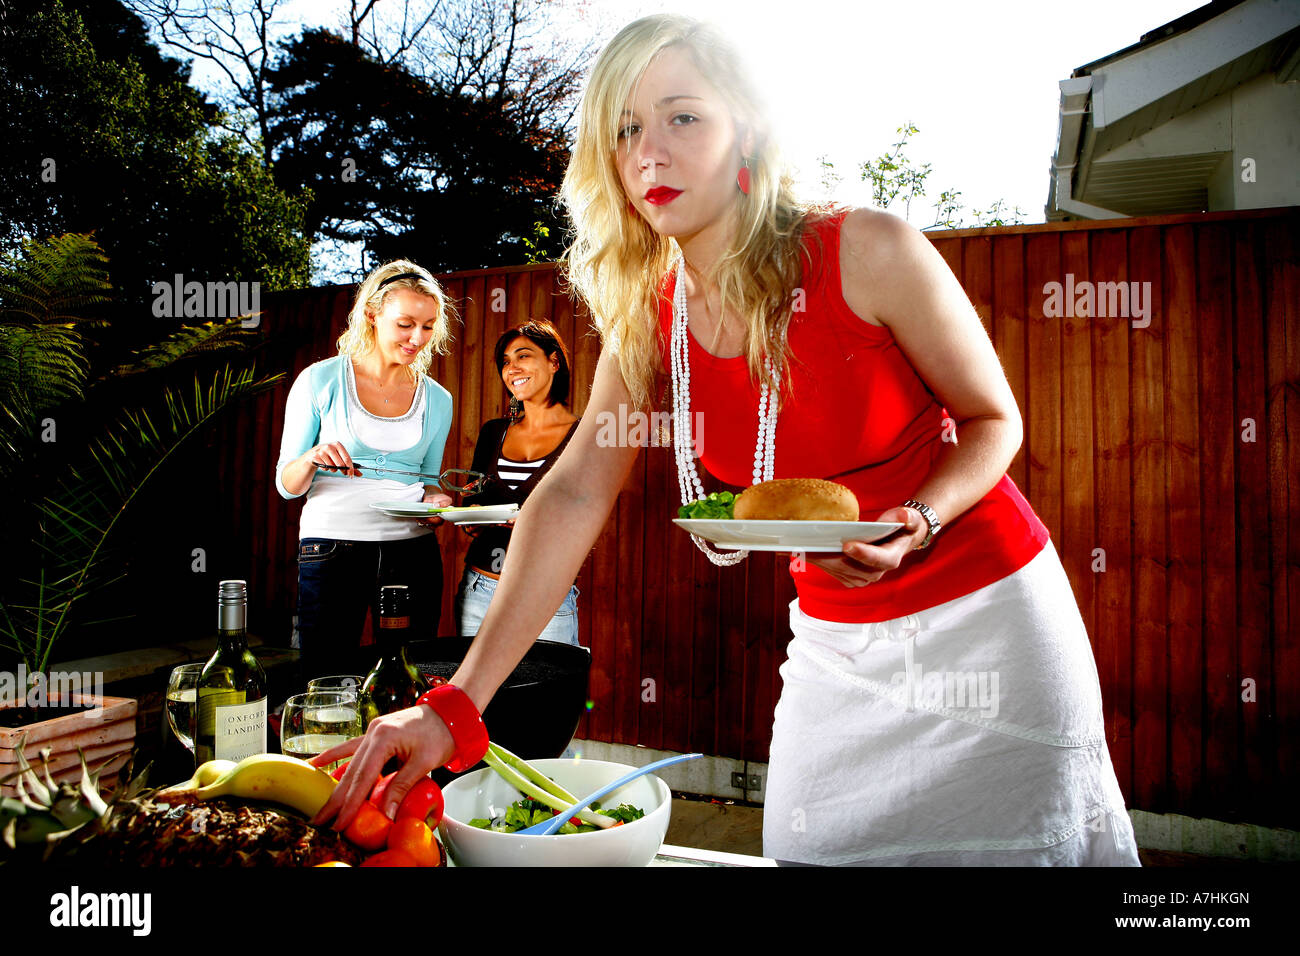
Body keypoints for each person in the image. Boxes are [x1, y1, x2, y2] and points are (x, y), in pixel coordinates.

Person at [315, 15, 1141, 867]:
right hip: (835, 641)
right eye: (626, 130)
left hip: (991, 620)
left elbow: (993, 419)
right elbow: (574, 491)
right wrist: (456, 705)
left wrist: (920, 518)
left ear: (746, 125)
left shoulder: (866, 248)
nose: (649, 155)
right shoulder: (646, 316)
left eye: (682, 117)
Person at [275, 260, 456, 680]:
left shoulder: (438, 400)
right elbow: (287, 485)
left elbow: (428, 482)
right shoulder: (319, 381)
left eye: (428, 326)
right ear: (373, 315)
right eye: (405, 324)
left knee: (409, 676)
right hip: (331, 550)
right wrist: (311, 457)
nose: (417, 338)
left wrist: (436, 500)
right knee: (324, 677)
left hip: (412, 552)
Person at [456, 321, 582, 645]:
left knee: (546, 696)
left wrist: (532, 521)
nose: (512, 368)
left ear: (554, 362)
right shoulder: (492, 432)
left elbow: (586, 515)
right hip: (480, 588)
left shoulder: (583, 435)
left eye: (523, 356)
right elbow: (472, 500)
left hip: (546, 594)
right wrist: (467, 513)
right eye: (506, 361)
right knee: (478, 697)